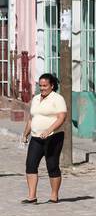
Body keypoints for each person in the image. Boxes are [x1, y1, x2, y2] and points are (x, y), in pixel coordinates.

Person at [22, 73, 68, 204]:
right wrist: (26, 133)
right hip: (36, 137)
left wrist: (49, 130)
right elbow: (32, 118)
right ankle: (32, 196)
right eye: (40, 85)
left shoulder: (57, 99)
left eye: (45, 86)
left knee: (52, 165)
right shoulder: (36, 99)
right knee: (30, 165)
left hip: (54, 137)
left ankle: (54, 195)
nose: (42, 88)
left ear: (52, 86)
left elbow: (61, 117)